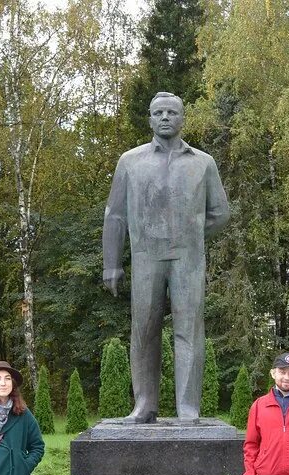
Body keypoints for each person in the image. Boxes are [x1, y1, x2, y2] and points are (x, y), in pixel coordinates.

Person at [102, 91, 230, 423]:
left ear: (182, 119)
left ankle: (188, 407)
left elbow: (220, 213)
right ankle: (144, 405)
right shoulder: (130, 161)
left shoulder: (203, 162)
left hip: (188, 259)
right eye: (158, 112)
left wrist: (192, 233)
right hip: (146, 257)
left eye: (172, 112)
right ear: (149, 118)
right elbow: (115, 215)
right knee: (144, 328)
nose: (164, 118)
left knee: (190, 329)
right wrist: (112, 263)